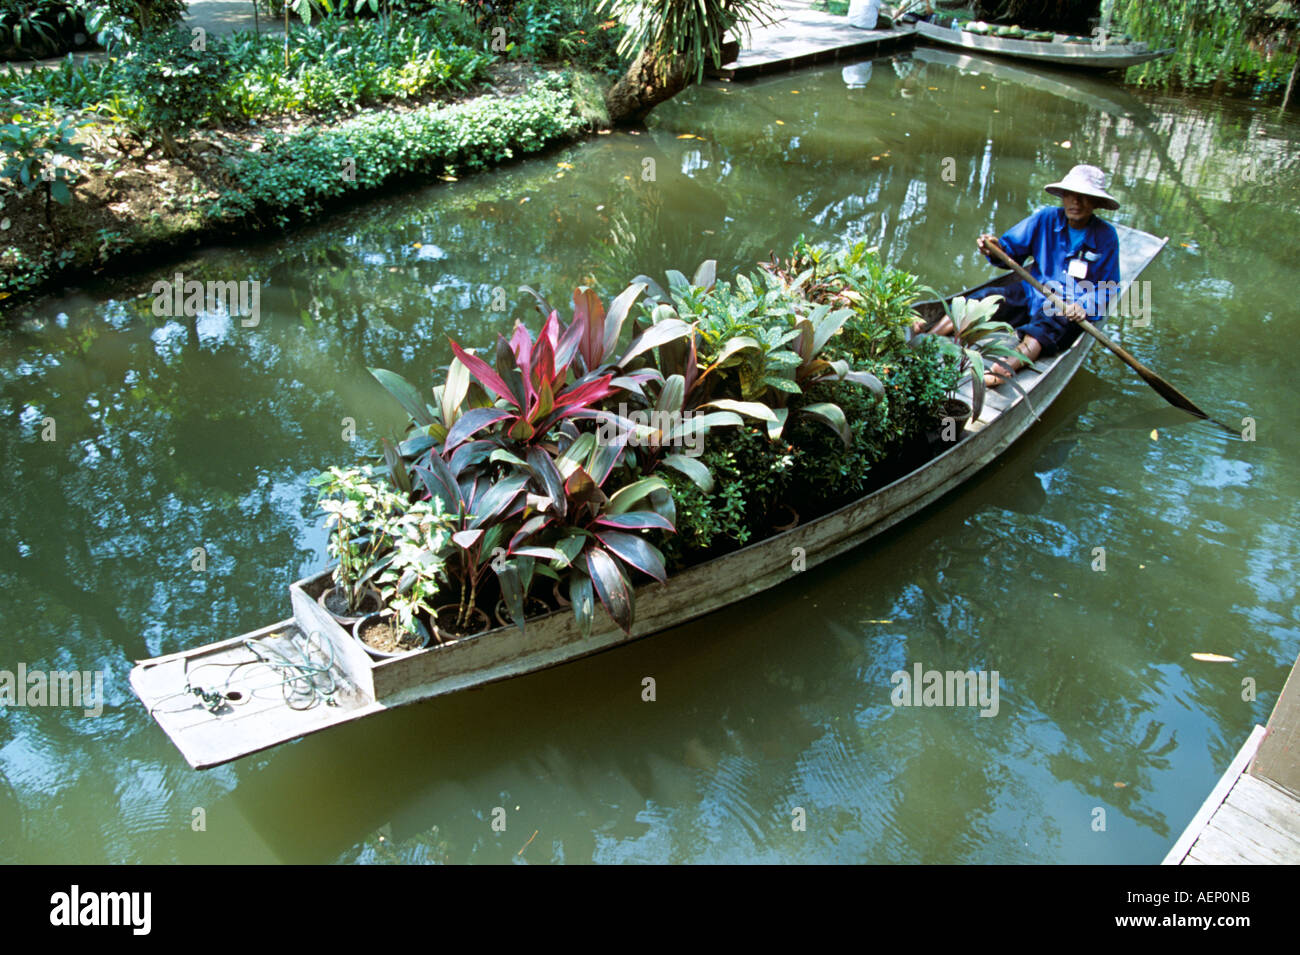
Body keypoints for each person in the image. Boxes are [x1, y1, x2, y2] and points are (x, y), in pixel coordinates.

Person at [921, 164, 1122, 387]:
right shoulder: (1046, 218)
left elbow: (1109, 287)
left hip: (1065, 307)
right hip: (1033, 291)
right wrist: (994, 248)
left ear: (1096, 203)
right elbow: (1010, 252)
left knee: (1045, 328)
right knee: (985, 299)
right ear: (1063, 196)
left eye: (1084, 197)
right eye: (1070, 195)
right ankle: (929, 339)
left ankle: (1003, 369)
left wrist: (1083, 306)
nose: (1076, 202)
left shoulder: (1106, 236)